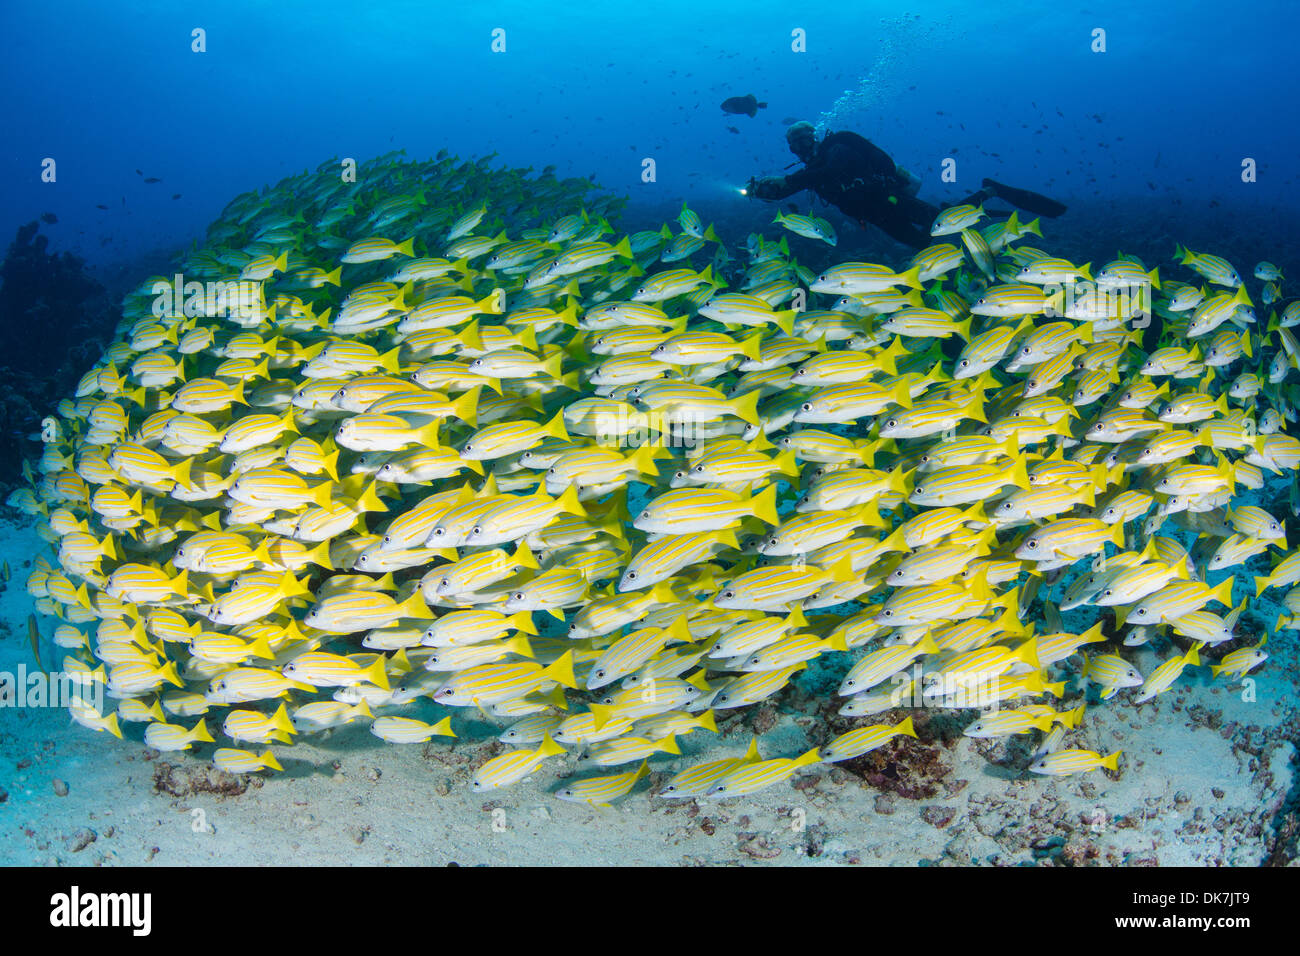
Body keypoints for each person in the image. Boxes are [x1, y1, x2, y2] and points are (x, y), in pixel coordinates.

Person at [749, 122, 1067, 249]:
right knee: (922, 243)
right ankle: (983, 212)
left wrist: (788, 181)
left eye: (805, 139)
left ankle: (989, 192)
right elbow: (798, 184)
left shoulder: (838, 146)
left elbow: (828, 172)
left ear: (815, 136)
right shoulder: (810, 169)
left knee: (941, 223)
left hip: (887, 198)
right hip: (873, 215)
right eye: (795, 144)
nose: (801, 146)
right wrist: (766, 191)